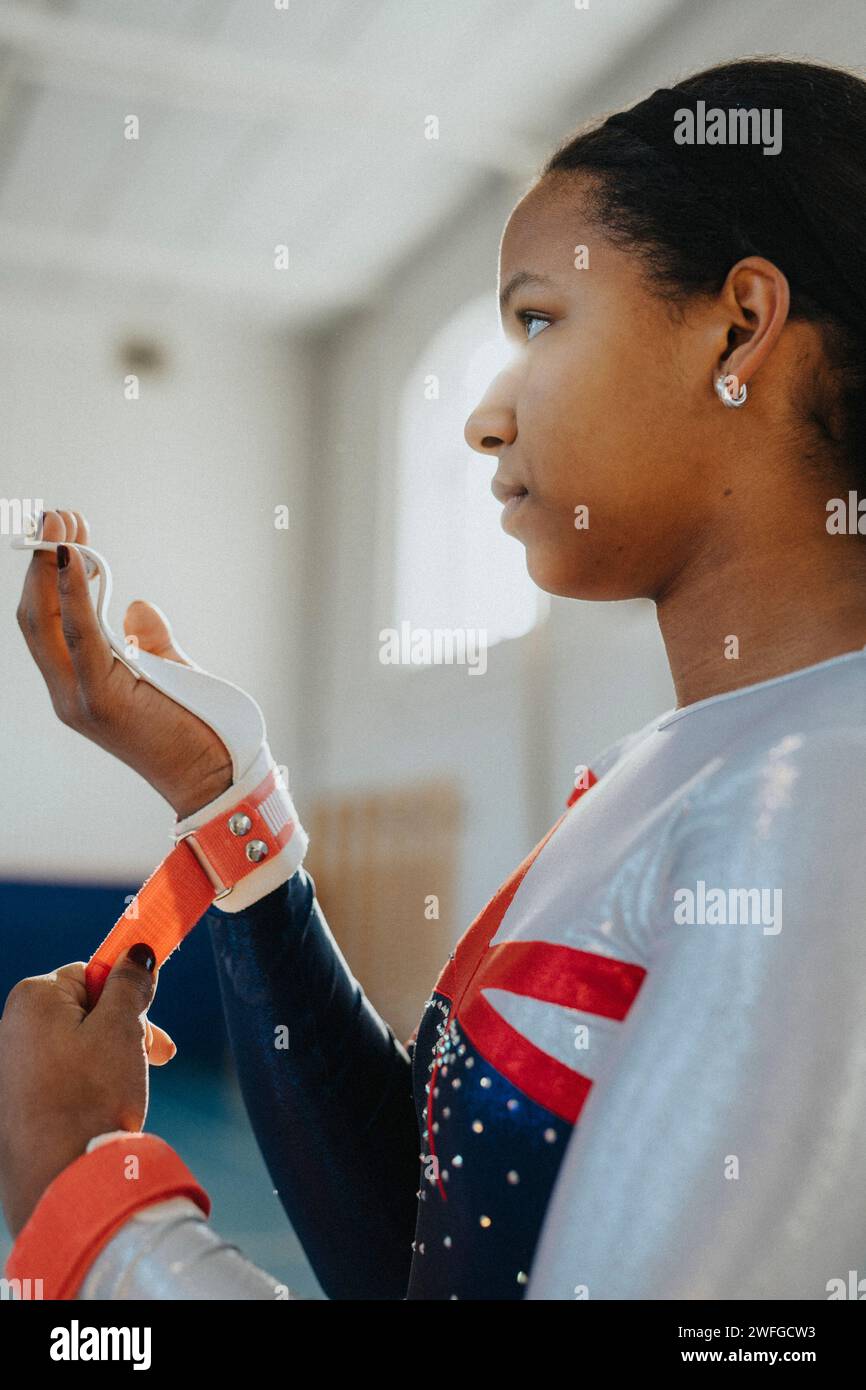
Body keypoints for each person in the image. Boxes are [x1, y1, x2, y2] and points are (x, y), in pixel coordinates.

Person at [3, 55, 866, 1301]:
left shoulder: (821, 797)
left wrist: (84, 1199)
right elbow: (410, 1232)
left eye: (538, 322)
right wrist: (222, 787)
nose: (484, 418)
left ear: (737, 326)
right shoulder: (684, 763)